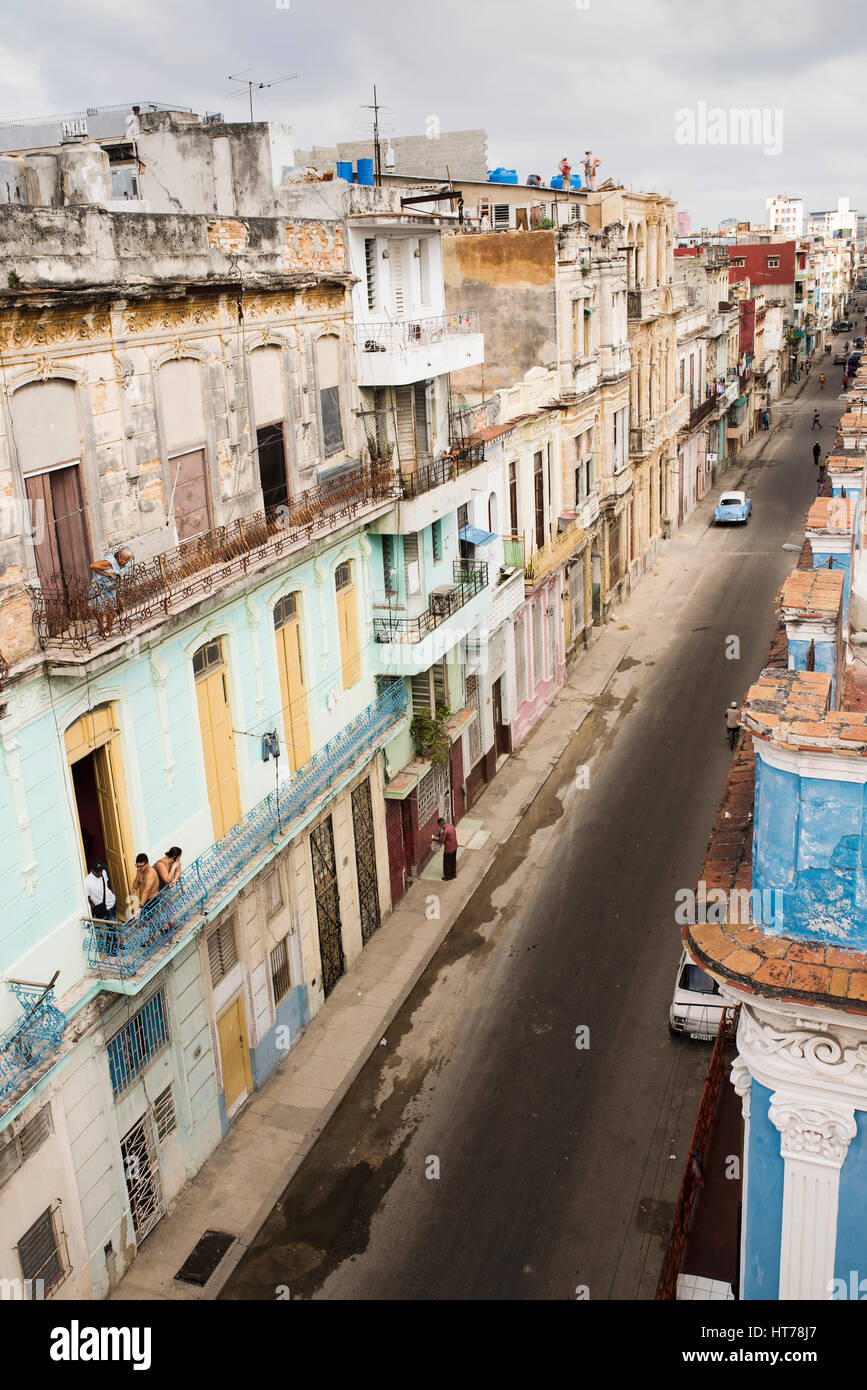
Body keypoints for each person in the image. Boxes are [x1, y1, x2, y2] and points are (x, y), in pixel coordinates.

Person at [89, 546, 133, 637]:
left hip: (110, 586)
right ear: (119, 556)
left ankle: (109, 628)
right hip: (100, 586)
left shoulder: (127, 563)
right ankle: (101, 630)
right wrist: (107, 573)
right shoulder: (109, 562)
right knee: (100, 609)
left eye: (127, 560)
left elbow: (120, 572)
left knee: (112, 607)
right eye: (124, 559)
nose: (125, 562)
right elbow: (92, 566)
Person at [435, 816, 458, 881]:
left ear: (440, 824)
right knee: (453, 861)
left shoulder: (445, 831)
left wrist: (435, 839)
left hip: (448, 849)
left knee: (447, 863)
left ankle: (448, 876)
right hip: (455, 847)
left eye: (439, 825)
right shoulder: (451, 826)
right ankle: (454, 874)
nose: (439, 826)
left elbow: (442, 841)